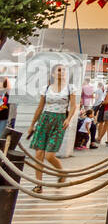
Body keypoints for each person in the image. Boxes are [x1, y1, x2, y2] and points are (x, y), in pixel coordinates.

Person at [26, 65, 77, 193]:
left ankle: (61, 173)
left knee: (49, 155)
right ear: (53, 74)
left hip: (59, 121)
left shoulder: (70, 88)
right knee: (39, 154)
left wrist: (68, 118)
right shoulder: (46, 88)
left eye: (64, 70)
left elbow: (73, 106)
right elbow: (40, 107)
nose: (62, 72)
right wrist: (32, 124)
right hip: (44, 119)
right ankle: (39, 184)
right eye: (59, 70)